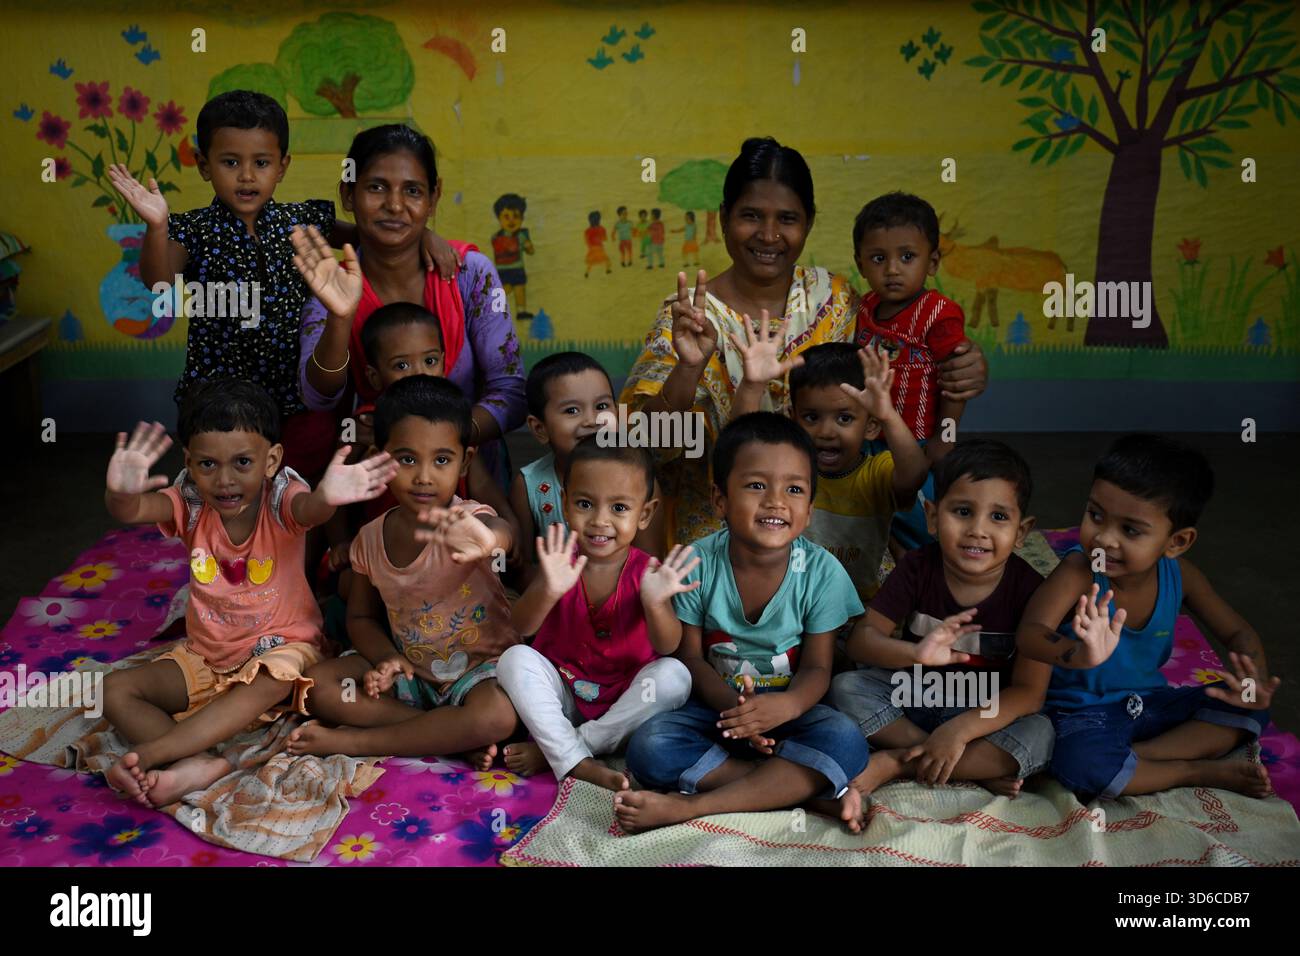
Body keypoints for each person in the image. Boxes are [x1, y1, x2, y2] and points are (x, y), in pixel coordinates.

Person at [621, 136, 988, 545]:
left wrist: (964, 364)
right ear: (724, 217)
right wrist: (689, 368)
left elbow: (913, 360)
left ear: (809, 222)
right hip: (721, 530)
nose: (768, 235)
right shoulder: (690, 316)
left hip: (837, 524)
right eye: (751, 216)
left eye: (788, 219)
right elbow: (644, 445)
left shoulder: (837, 299)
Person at [106, 91, 456, 480]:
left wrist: (424, 236)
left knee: (294, 494)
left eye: (261, 163)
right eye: (229, 162)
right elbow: (160, 282)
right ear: (204, 166)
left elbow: (374, 235)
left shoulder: (302, 220)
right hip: (219, 401)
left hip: (294, 401)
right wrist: (156, 227)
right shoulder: (192, 230)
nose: (246, 176)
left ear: (282, 165)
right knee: (227, 494)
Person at [100, 379, 397, 807]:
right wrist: (121, 493)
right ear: (189, 461)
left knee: (268, 679)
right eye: (207, 465)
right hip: (207, 657)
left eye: (242, 462)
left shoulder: (283, 497)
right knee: (113, 690)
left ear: (272, 459)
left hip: (283, 651)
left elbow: (309, 510)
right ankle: (200, 762)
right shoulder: (191, 501)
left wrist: (328, 497)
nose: (224, 480)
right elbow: (135, 510)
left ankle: (157, 752)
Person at [617, 413, 868, 833]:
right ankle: (802, 792)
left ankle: (690, 807)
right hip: (718, 713)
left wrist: (784, 707)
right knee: (649, 746)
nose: (776, 501)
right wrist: (739, 713)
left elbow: (818, 667)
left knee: (845, 738)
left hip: (792, 712)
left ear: (808, 509)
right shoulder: (696, 562)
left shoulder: (822, 571)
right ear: (720, 500)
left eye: (794, 489)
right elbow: (691, 660)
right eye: (756, 485)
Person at [1016, 435, 1277, 801]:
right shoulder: (1078, 571)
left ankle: (1139, 758)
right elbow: (1029, 632)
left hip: (1151, 705)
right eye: (1095, 515)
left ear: (1177, 542)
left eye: (1130, 530)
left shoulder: (1180, 575)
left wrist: (1253, 682)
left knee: (1248, 708)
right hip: (1082, 714)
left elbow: (1237, 632)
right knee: (1082, 764)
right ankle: (1192, 769)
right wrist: (1076, 653)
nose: (1104, 538)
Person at [287, 376, 519, 767]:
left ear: (465, 460)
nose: (424, 476)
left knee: (497, 715)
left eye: (442, 460)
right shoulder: (369, 539)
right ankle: (448, 734)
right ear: (379, 458)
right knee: (317, 689)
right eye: (407, 459)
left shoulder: (469, 522)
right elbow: (360, 616)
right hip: (410, 674)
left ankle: (365, 742)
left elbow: (502, 533)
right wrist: (387, 660)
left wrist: (490, 543)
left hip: (479, 675)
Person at [831, 440, 1054, 824]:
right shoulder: (918, 567)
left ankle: (899, 763)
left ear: (1022, 531)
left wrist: (963, 729)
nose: (978, 531)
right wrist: (913, 656)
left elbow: (1030, 693)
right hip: (915, 693)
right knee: (845, 688)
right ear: (933, 517)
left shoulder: (1032, 589)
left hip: (986, 708)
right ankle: (964, 765)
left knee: (1042, 734)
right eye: (963, 512)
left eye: (998, 517)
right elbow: (862, 640)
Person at [295, 123, 526, 491]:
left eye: (413, 191)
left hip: (475, 486)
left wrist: (439, 437)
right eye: (376, 187)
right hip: (375, 492)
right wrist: (341, 317)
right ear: (348, 193)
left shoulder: (469, 275)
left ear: (433, 198)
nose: (395, 205)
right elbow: (318, 397)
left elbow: (511, 395)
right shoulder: (329, 285)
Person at [498, 439, 697, 791]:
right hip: (565, 691)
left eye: (619, 507)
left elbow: (668, 646)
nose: (600, 521)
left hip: (626, 699)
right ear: (564, 502)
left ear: (645, 514)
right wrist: (549, 589)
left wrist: (654, 604)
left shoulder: (647, 571)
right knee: (514, 660)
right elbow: (521, 627)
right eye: (585, 504)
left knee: (675, 676)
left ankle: (568, 751)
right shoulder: (560, 561)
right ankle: (576, 756)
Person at [735, 335, 928, 603]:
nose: (826, 432)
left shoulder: (876, 474)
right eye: (811, 417)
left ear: (871, 426)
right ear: (793, 418)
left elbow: (915, 474)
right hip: (789, 605)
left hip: (855, 606)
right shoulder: (785, 470)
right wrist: (752, 387)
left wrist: (888, 416)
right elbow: (742, 454)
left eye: (844, 418)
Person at [852, 191, 971, 553]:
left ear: (932, 262)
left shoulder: (939, 314)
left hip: (920, 439)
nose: (891, 269)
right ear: (860, 264)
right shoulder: (865, 310)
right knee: (878, 509)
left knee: (922, 516)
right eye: (878, 258)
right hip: (871, 437)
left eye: (907, 257)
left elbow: (956, 381)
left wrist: (945, 438)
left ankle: (935, 569)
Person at [510, 352, 665, 582]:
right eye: (572, 410)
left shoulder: (639, 480)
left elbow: (651, 564)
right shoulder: (529, 485)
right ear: (539, 428)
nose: (591, 420)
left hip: (624, 602)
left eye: (602, 406)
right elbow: (521, 567)